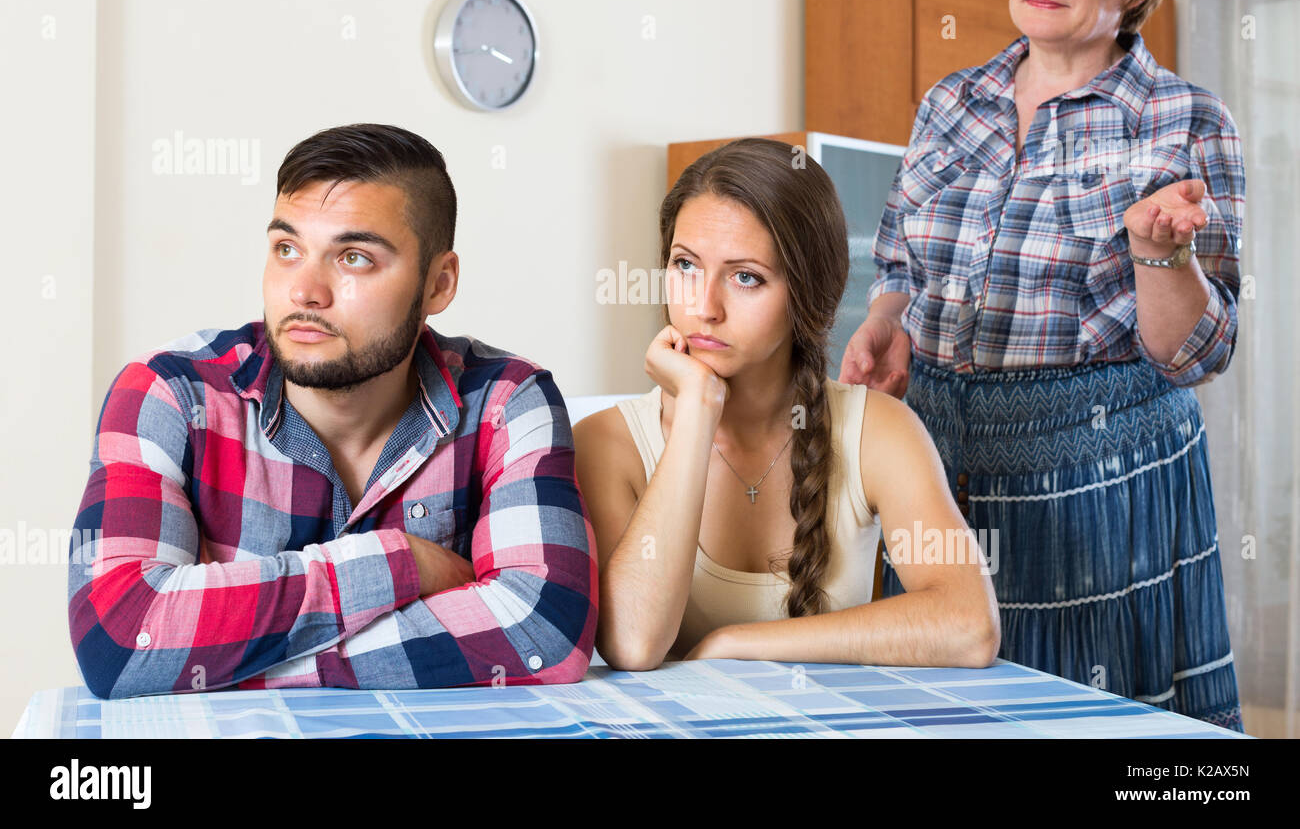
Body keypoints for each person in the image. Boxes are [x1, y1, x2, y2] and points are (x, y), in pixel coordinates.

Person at [839, 0, 1245, 731]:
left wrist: (1157, 255)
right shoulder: (952, 101)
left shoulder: (1184, 119)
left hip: (1101, 476)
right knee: (936, 702)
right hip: (940, 459)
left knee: (1078, 722)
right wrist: (886, 325)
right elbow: (901, 264)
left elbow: (1197, 352)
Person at [67, 124, 596, 698]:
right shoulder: (170, 395)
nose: (305, 292)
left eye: (353, 257)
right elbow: (120, 641)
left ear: (438, 284)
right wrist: (398, 562)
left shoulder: (505, 403)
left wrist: (231, 662)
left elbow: (545, 631)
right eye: (287, 250)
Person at [574, 137, 999, 671]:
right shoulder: (603, 444)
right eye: (685, 265)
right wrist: (697, 412)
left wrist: (737, 642)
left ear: (805, 291)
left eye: (745, 277)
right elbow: (632, 645)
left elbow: (969, 625)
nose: (703, 307)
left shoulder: (881, 431)